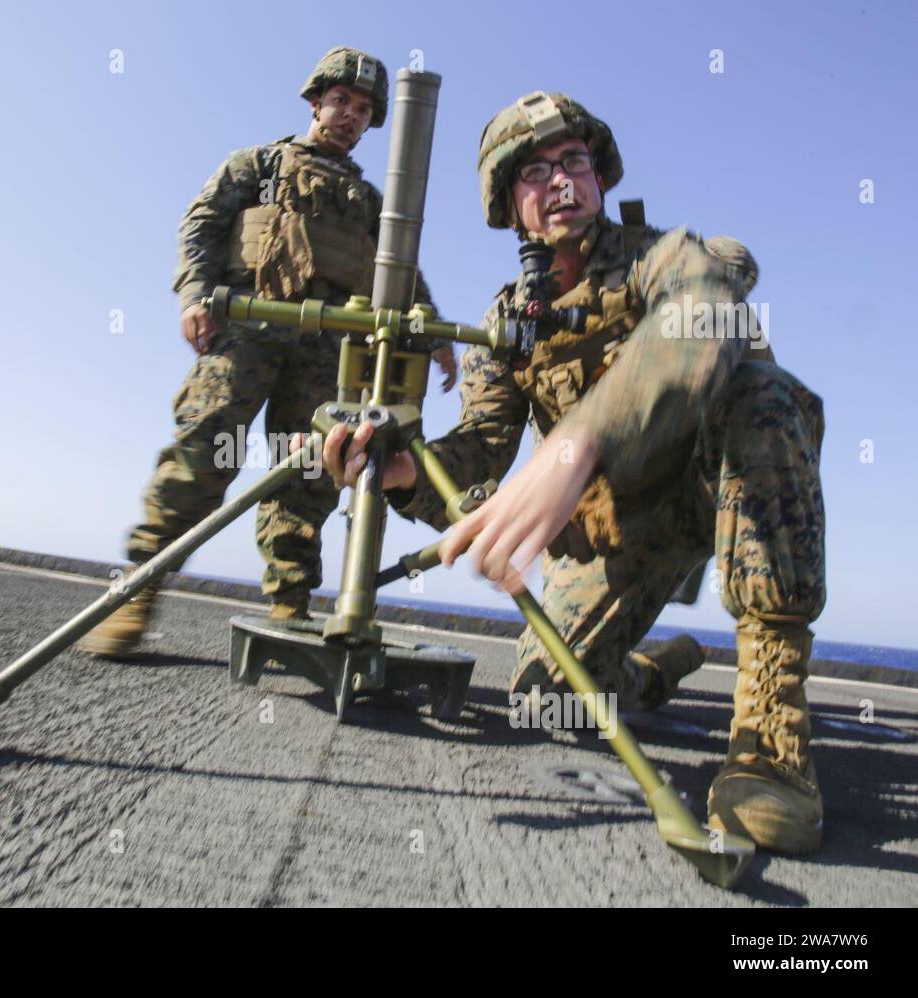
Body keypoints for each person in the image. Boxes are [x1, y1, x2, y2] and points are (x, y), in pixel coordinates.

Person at [319, 91, 827, 855]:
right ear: (507, 202)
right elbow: (480, 450)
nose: (561, 181)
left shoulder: (664, 256)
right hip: (614, 534)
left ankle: (770, 745)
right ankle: (652, 675)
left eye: (575, 162)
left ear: (598, 176)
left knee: (764, 390)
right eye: (535, 171)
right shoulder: (509, 325)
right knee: (548, 703)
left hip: (714, 491)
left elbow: (709, 310)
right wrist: (395, 471)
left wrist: (575, 443)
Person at [80, 47, 452, 657]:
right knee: (203, 452)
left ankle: (290, 604)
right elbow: (200, 224)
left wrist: (432, 336)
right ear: (315, 102)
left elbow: (403, 274)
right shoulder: (256, 165)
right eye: (341, 102)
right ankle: (138, 590)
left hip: (328, 350)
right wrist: (196, 294)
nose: (351, 117)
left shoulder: (370, 203)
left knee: (308, 473)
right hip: (248, 331)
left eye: (363, 110)